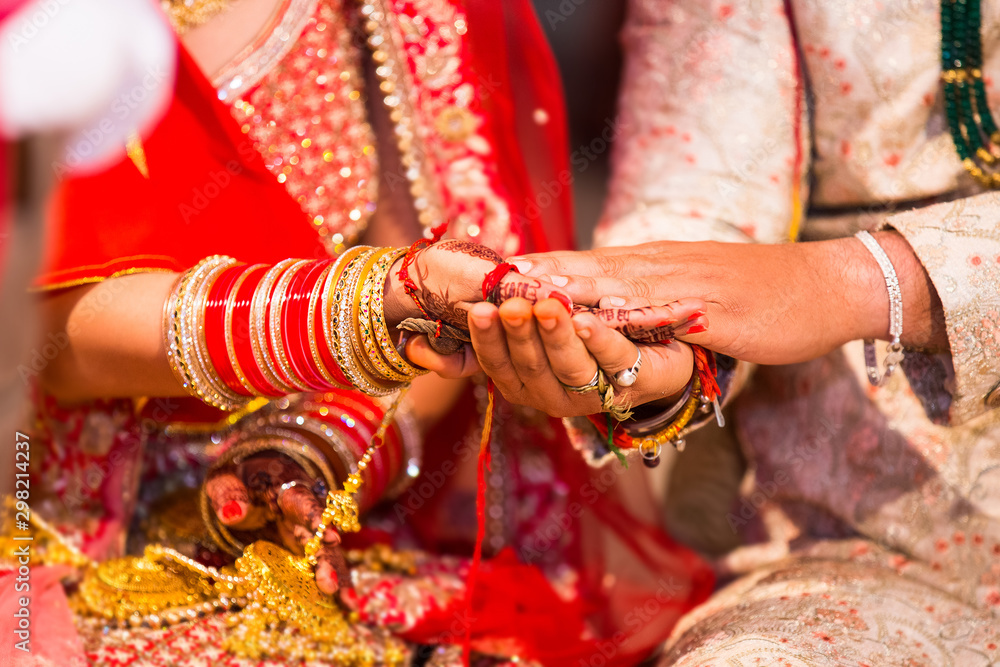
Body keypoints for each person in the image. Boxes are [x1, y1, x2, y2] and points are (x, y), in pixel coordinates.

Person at [3, 1, 713, 665]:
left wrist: (319, 448)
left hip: (326, 514)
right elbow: (56, 337)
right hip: (48, 521)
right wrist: (376, 300)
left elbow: (453, 313)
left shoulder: (383, 15)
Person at [464, 0, 1000, 663]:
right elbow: (698, 190)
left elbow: (793, 288)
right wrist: (660, 363)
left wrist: (858, 282)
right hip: (856, 538)